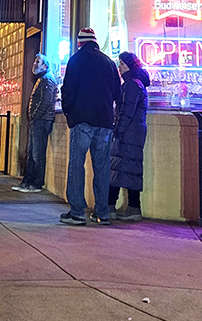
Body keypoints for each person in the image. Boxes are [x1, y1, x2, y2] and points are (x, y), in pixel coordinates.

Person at [59, 27, 121, 226]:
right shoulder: (109, 62)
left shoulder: (76, 60)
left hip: (82, 119)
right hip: (105, 121)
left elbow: (68, 89)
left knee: (77, 164)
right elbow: (117, 94)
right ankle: (102, 212)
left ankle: (77, 211)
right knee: (102, 168)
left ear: (80, 43)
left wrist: (69, 112)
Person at [108, 51, 150, 222]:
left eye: (123, 64)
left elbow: (127, 110)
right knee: (130, 168)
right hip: (134, 132)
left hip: (128, 132)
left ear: (131, 66)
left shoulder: (132, 84)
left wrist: (118, 129)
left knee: (116, 167)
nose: (120, 68)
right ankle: (133, 207)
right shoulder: (136, 83)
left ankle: (109, 206)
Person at [12, 54, 57, 192]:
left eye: (38, 62)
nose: (34, 64)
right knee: (32, 153)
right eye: (35, 61)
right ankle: (28, 181)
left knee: (37, 153)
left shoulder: (47, 79)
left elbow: (46, 101)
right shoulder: (42, 79)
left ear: (45, 65)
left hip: (41, 121)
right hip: (37, 121)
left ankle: (36, 183)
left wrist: (35, 116)